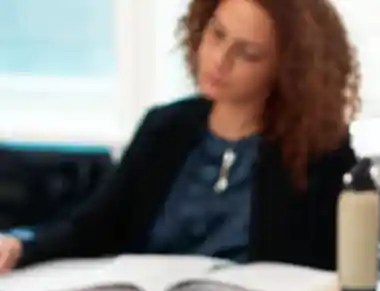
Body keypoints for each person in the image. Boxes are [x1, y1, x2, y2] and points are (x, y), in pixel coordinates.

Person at [0, 0, 361, 274]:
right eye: (217, 35)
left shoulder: (319, 147)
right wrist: (21, 246)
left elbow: (335, 268)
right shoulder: (166, 128)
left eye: (247, 53)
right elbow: (96, 226)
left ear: (286, 70)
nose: (220, 60)